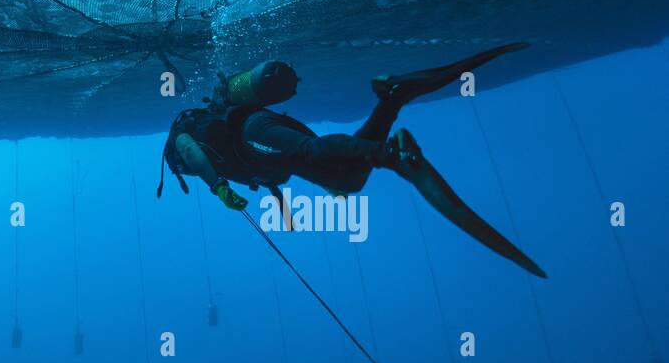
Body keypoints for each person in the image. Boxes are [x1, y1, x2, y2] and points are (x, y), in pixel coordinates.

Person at [159, 43, 546, 277]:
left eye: (183, 170)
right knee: (349, 181)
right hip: (270, 151)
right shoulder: (201, 150)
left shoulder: (184, 146)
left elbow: (194, 153)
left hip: (256, 132)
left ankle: (390, 155)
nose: (187, 171)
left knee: (314, 152)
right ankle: (393, 97)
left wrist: (219, 188)